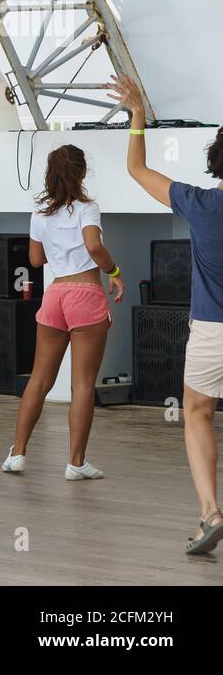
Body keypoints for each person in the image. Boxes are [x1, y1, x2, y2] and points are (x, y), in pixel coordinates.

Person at [109, 75, 223, 554]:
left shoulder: (200, 204)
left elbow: (137, 169)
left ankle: (211, 512)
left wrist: (137, 116)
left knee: (196, 412)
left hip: (212, 331)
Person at [2, 145, 123, 480]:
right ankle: (76, 463)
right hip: (85, 294)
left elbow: (36, 260)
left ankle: (17, 453)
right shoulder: (87, 208)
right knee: (82, 384)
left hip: (55, 296)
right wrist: (114, 272)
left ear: (49, 175)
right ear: (82, 173)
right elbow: (94, 245)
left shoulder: (39, 212)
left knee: (39, 380)